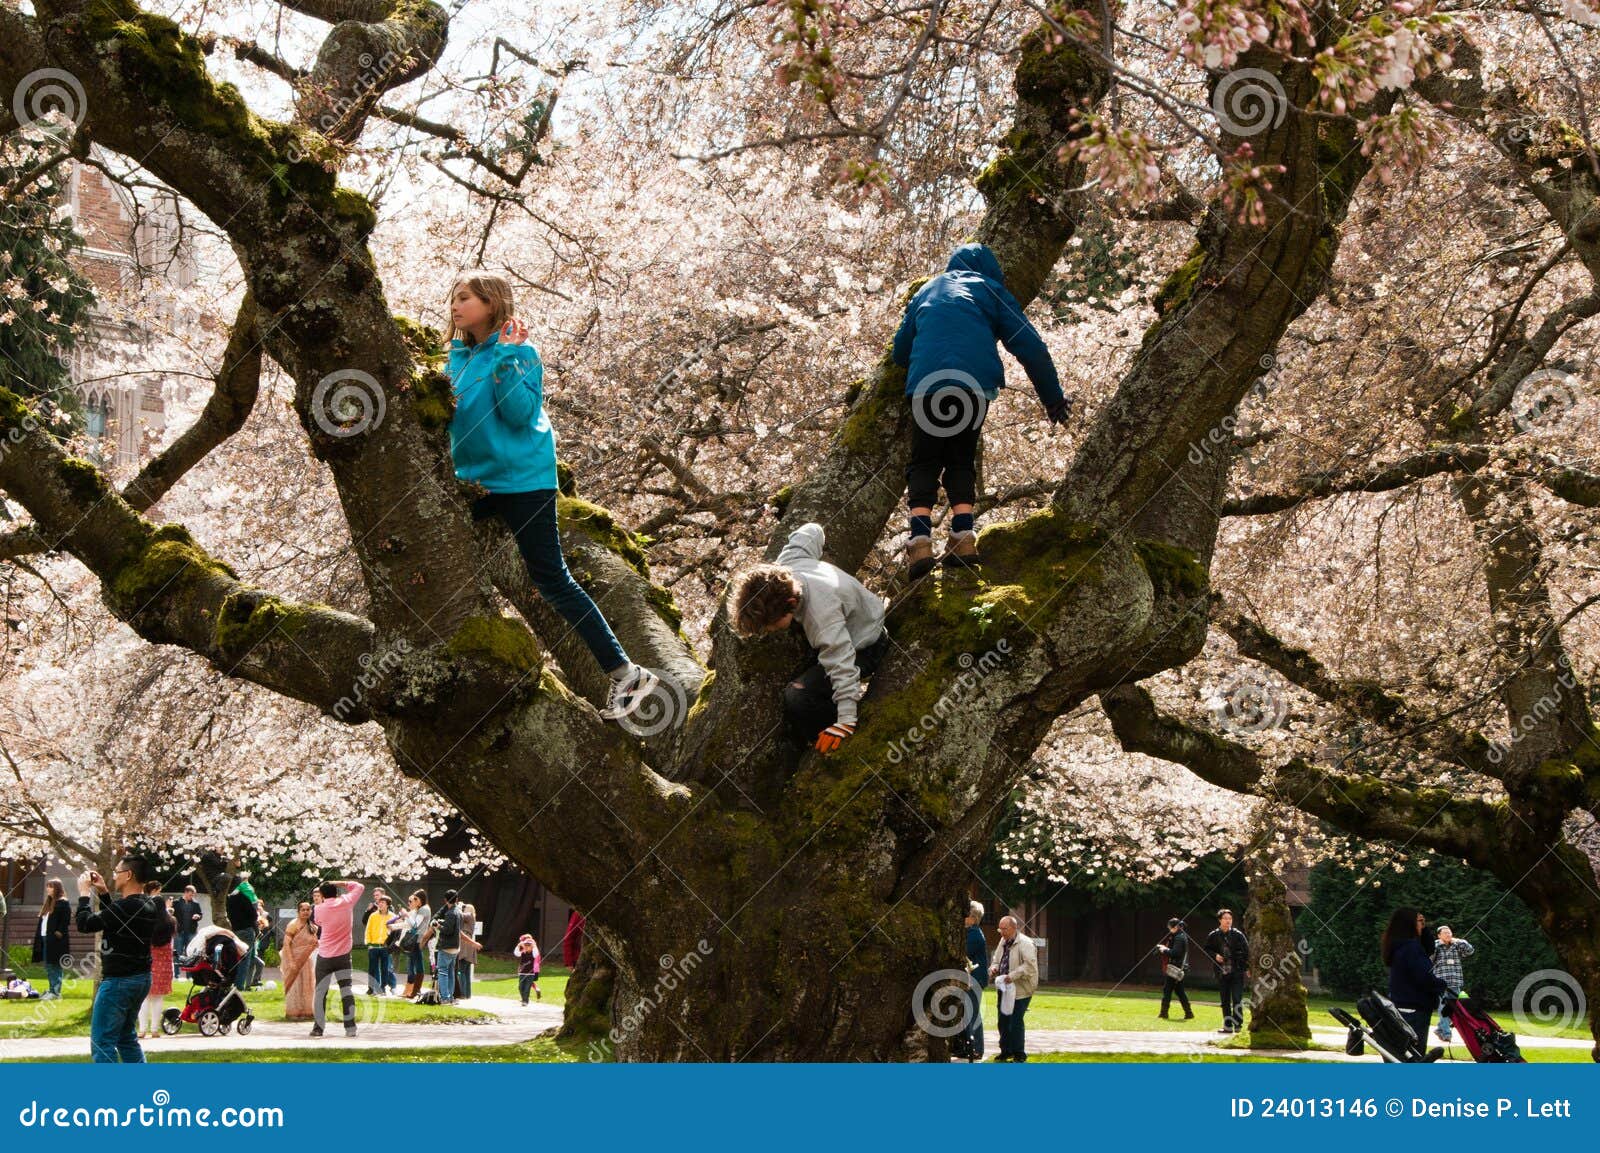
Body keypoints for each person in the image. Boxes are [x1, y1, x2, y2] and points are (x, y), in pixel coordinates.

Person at [447, 271, 658, 721]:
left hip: (523, 480)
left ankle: (626, 672)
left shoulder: (521, 352)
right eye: (454, 298)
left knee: (550, 578)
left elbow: (520, 416)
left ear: (491, 303)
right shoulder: (454, 358)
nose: (455, 305)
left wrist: (504, 358)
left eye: (465, 298)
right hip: (473, 481)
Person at [890, 243, 1072, 578]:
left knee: (924, 460)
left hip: (927, 384)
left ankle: (919, 542)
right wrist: (1053, 399)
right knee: (961, 457)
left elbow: (900, 352)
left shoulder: (928, 290)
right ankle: (963, 538)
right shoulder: (991, 290)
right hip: (973, 386)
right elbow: (1031, 347)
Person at [729, 522, 888, 758]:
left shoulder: (821, 616)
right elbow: (812, 530)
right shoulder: (790, 563)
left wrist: (845, 720)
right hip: (854, 622)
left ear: (791, 605)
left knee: (798, 696)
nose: (770, 630)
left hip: (866, 643)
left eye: (771, 625)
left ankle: (835, 739)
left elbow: (842, 665)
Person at [75, 855, 162, 1063]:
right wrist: (104, 893)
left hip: (118, 982)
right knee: (126, 1038)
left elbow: (85, 924)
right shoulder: (148, 905)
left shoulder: (126, 907)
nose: (114, 876)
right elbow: (116, 920)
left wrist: (84, 895)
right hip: (140, 979)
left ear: (129, 874)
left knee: (102, 1042)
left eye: (117, 872)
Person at [1383, 906, 1449, 1043]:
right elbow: (1424, 976)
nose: (1422, 924)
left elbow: (1429, 949)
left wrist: (1424, 929)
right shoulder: (1410, 948)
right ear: (1409, 924)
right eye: (1419, 921)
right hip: (1414, 1009)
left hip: (1403, 1004)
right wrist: (1442, 985)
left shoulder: (1399, 945)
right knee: (1415, 1053)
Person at [310, 879, 364, 1038]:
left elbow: (318, 922)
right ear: (336, 892)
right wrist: (338, 882)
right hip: (343, 955)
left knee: (321, 992)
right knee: (346, 991)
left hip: (325, 955)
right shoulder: (347, 901)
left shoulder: (319, 909)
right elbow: (359, 886)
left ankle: (318, 1028)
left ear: (322, 895)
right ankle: (350, 1028)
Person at [988, 915, 1038, 1062]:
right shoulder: (1003, 940)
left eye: (1004, 929)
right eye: (1000, 929)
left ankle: (1019, 1054)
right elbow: (996, 960)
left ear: (1014, 928)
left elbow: (1029, 966)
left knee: (1015, 1021)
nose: (1001, 932)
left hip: (1021, 989)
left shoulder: (1026, 943)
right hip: (1004, 987)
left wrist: (1012, 975)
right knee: (1003, 1021)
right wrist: (994, 968)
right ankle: (1005, 1051)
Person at [138, 884, 176, 1039]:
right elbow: (172, 943)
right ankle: (154, 1030)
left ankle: (142, 1030)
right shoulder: (171, 921)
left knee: (144, 998)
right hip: (165, 962)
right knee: (158, 998)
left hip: (148, 961)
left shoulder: (146, 921)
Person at [1205, 907, 1250, 1034]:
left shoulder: (1238, 934)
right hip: (1222, 972)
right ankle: (1227, 1026)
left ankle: (1238, 1026)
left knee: (1237, 999)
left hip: (1237, 971)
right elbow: (1207, 949)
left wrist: (1247, 968)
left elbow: (1246, 951)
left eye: (1230, 918)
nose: (1228, 921)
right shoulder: (1213, 935)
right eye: (1225, 918)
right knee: (1225, 1001)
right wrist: (1215, 956)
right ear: (1220, 920)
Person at [1431, 924, 1475, 1043]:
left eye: (1449, 932)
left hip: (1456, 981)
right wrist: (1440, 943)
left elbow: (1470, 951)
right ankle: (1446, 1033)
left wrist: (1460, 940)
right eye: (1445, 933)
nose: (1448, 934)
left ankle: (1440, 1029)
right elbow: (1429, 956)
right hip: (1441, 982)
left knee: (1454, 1008)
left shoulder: (1457, 945)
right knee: (1444, 1007)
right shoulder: (1435, 945)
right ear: (1439, 935)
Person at [225, 871, 265, 992]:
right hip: (247, 930)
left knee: (238, 957)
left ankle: (237, 982)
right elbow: (253, 915)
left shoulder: (229, 899)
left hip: (235, 930)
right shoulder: (243, 898)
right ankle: (241, 985)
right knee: (246, 959)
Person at [32, 877, 70, 1000]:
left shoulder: (62, 902)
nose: (48, 888)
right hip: (45, 938)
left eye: (51, 886)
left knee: (55, 965)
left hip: (55, 940)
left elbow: (65, 920)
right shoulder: (49, 903)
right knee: (48, 965)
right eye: (47, 886)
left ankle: (56, 992)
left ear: (57, 888)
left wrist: (58, 932)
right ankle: (51, 990)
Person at [959, 900, 987, 1061]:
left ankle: (977, 1048)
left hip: (974, 980)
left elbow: (964, 952)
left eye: (965, 915)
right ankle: (967, 1047)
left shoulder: (974, 934)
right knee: (966, 1014)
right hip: (969, 979)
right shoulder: (970, 932)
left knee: (973, 1014)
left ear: (972, 918)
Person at [281, 900, 317, 1021]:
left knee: (306, 985)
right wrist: (291, 962)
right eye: (303, 910)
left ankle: (307, 1012)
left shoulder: (312, 926)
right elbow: (286, 944)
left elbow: (314, 943)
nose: (306, 912)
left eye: (308, 910)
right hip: (293, 959)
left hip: (306, 960)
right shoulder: (293, 925)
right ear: (298, 911)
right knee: (295, 986)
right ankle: (293, 1013)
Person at [426, 889, 462, 1005]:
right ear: (457, 899)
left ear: (445, 900)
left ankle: (445, 998)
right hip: (455, 947)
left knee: (442, 972)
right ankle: (450, 997)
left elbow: (447, 930)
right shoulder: (458, 911)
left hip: (446, 947)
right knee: (451, 972)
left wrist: (438, 925)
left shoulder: (451, 913)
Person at [1157, 916, 1195, 1021]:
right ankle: (1189, 1013)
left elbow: (1175, 953)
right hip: (1179, 968)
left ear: (1175, 927)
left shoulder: (1179, 937)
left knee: (1167, 990)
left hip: (1175, 968)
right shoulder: (1180, 936)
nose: (1169, 930)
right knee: (1179, 991)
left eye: (1170, 927)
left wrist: (1164, 950)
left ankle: (1163, 1013)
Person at [364, 893, 397, 997]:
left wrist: (391, 945)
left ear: (387, 904)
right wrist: (368, 943)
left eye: (383, 903)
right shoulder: (373, 916)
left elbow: (395, 933)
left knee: (385, 969)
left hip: (385, 947)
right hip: (373, 946)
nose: (380, 904)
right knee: (372, 968)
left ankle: (382, 988)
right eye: (379, 903)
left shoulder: (393, 916)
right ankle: (372, 988)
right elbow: (368, 929)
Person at [402, 890, 431, 999]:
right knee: (415, 965)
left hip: (417, 940)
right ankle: (414, 990)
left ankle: (416, 991)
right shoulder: (422, 909)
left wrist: (406, 915)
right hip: (417, 940)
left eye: (416, 899)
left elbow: (415, 925)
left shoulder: (423, 909)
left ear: (421, 899)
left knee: (418, 966)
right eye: (413, 899)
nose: (414, 901)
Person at [172, 885, 202, 976]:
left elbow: (200, 914)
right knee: (178, 952)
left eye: (193, 895)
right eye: (190, 895)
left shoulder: (196, 904)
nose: (192, 897)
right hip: (179, 931)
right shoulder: (176, 902)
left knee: (190, 954)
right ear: (185, 892)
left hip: (191, 931)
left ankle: (189, 976)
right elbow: (171, 913)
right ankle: (176, 975)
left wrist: (198, 916)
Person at [456, 900, 479, 1000]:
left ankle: (463, 994)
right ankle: (467, 994)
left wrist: (459, 906)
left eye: (465, 907)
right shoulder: (470, 917)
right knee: (466, 972)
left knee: (461, 971)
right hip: (468, 945)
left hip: (465, 945)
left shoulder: (470, 915)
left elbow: (460, 915)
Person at [514, 934, 541, 1004]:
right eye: (525, 945)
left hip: (530, 974)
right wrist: (519, 945)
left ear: (532, 947)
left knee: (527, 988)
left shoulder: (533, 954)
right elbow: (516, 953)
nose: (527, 946)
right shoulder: (522, 952)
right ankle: (524, 998)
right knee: (520, 987)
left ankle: (525, 1001)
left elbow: (536, 953)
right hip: (522, 973)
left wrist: (534, 945)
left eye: (529, 945)